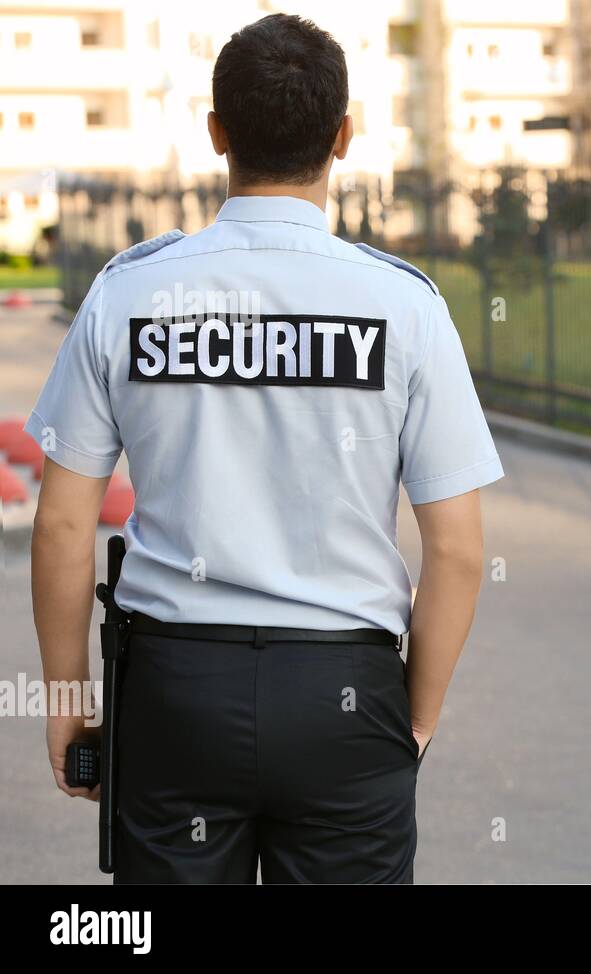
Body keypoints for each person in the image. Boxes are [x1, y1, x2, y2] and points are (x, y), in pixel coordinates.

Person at [28, 13, 502, 884]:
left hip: (175, 694)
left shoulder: (129, 294)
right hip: (345, 699)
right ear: (344, 137)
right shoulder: (405, 308)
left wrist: (66, 700)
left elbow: (62, 525)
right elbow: (460, 552)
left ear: (216, 133)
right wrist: (414, 724)